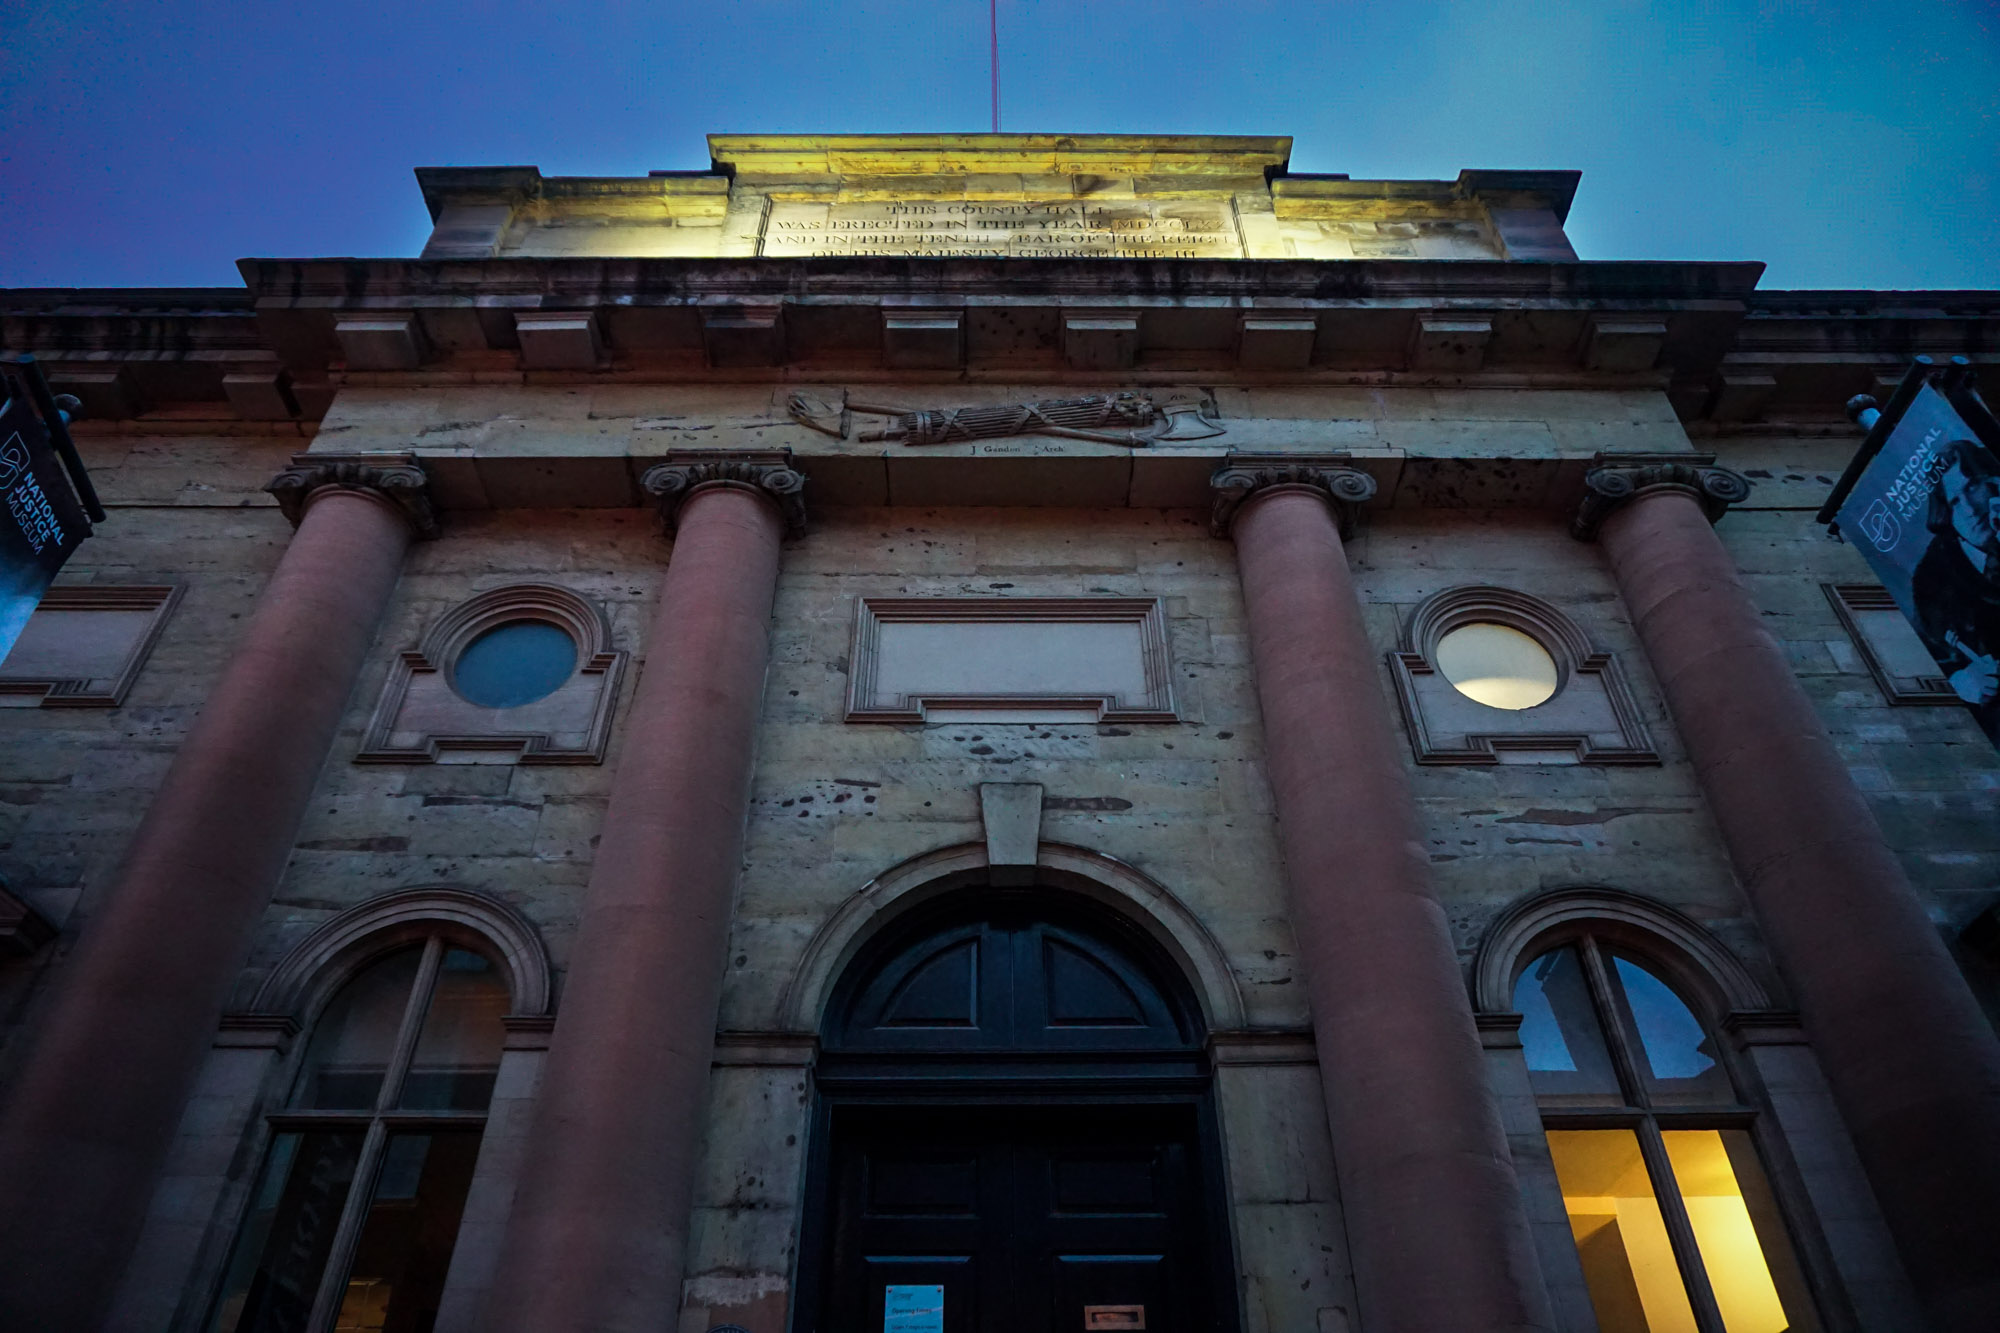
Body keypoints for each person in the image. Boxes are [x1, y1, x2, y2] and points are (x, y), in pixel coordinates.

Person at [1913, 437, 2000, 739]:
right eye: (1955, 501)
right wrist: (1967, 682)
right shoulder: (1932, 580)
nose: (1971, 509)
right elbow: (1941, 655)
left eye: (1973, 487)